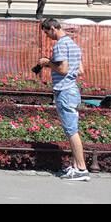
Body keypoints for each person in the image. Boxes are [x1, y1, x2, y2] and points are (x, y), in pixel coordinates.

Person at [35, 18, 89, 182]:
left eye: (46, 32)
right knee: (73, 129)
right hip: (73, 90)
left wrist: (48, 63)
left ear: (52, 28)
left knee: (71, 131)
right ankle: (75, 167)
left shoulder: (59, 45)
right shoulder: (74, 45)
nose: (47, 36)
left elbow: (63, 69)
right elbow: (80, 71)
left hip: (64, 90)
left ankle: (81, 169)